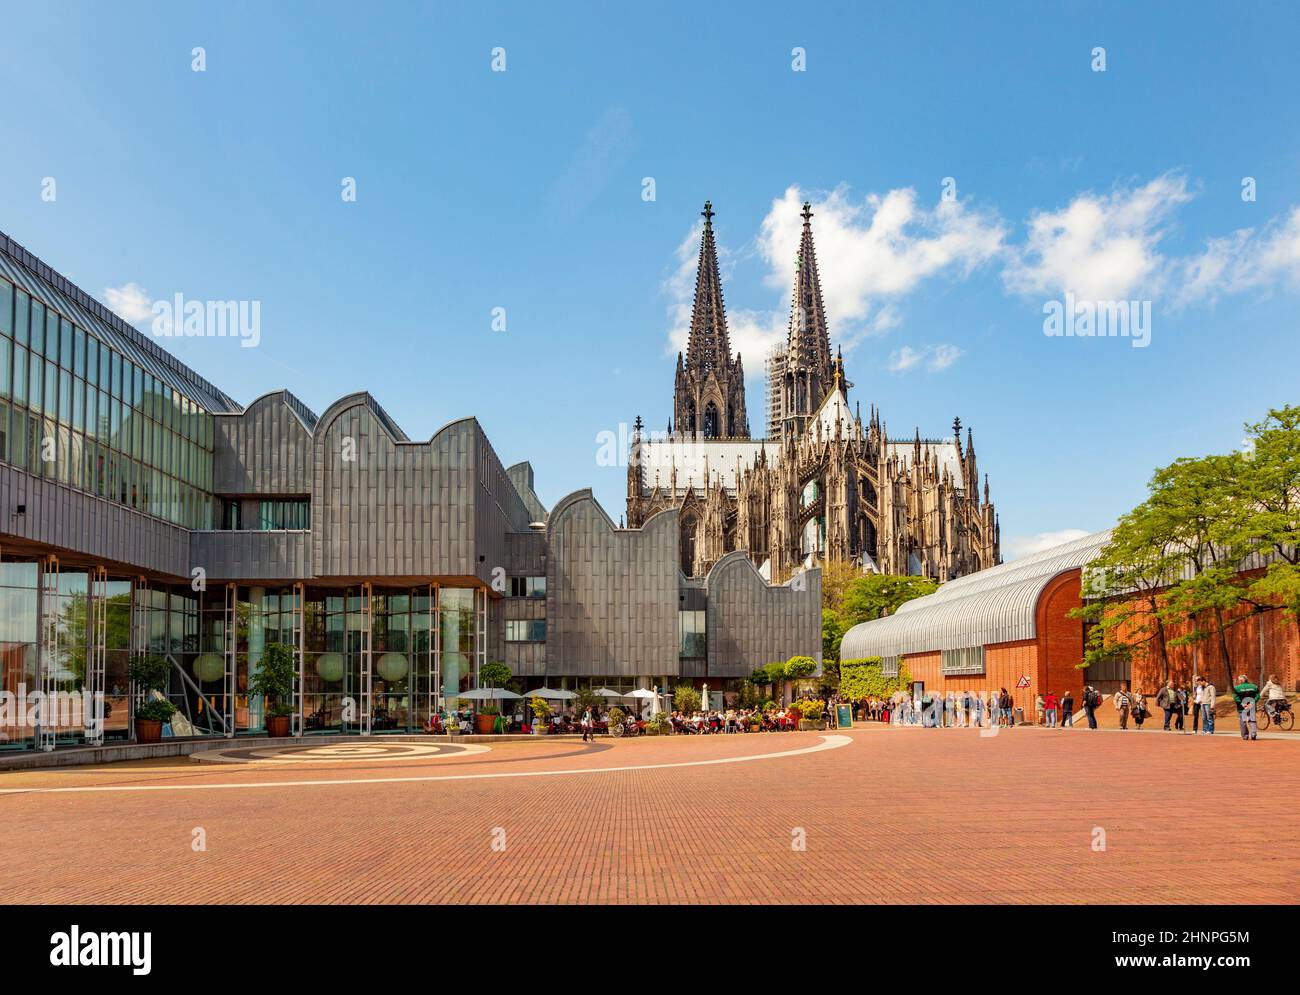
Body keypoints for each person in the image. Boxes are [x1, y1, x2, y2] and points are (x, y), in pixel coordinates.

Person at [1232, 674, 1259, 741]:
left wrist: (1242, 704)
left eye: (1239, 680)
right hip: (1251, 706)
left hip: (1242, 707)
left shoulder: (1236, 688)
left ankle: (1245, 735)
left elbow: (1235, 697)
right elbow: (1258, 695)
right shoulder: (1254, 687)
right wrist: (1253, 702)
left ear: (1241, 680)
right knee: (1252, 720)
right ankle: (1253, 733)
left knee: (1243, 721)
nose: (1238, 681)